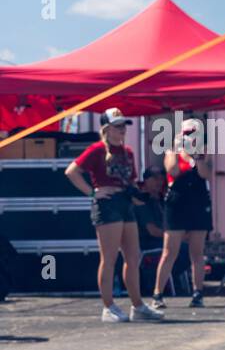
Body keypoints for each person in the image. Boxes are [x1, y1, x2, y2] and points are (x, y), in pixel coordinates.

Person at [64, 109, 164, 323]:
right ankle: (108, 306)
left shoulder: (128, 152)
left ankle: (137, 306)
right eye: (118, 126)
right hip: (107, 205)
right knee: (109, 258)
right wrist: (93, 192)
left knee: (133, 256)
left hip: (125, 204)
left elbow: (130, 180)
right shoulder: (97, 149)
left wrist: (138, 194)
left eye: (124, 125)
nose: (122, 130)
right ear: (107, 129)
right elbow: (71, 171)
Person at [151, 118, 212, 309]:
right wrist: (180, 151)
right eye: (187, 135)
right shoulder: (172, 152)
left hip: (198, 202)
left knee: (197, 252)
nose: (191, 139)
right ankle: (158, 294)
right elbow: (173, 170)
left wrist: (198, 156)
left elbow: (204, 174)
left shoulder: (204, 152)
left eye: (194, 135)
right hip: (177, 204)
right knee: (170, 251)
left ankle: (197, 293)